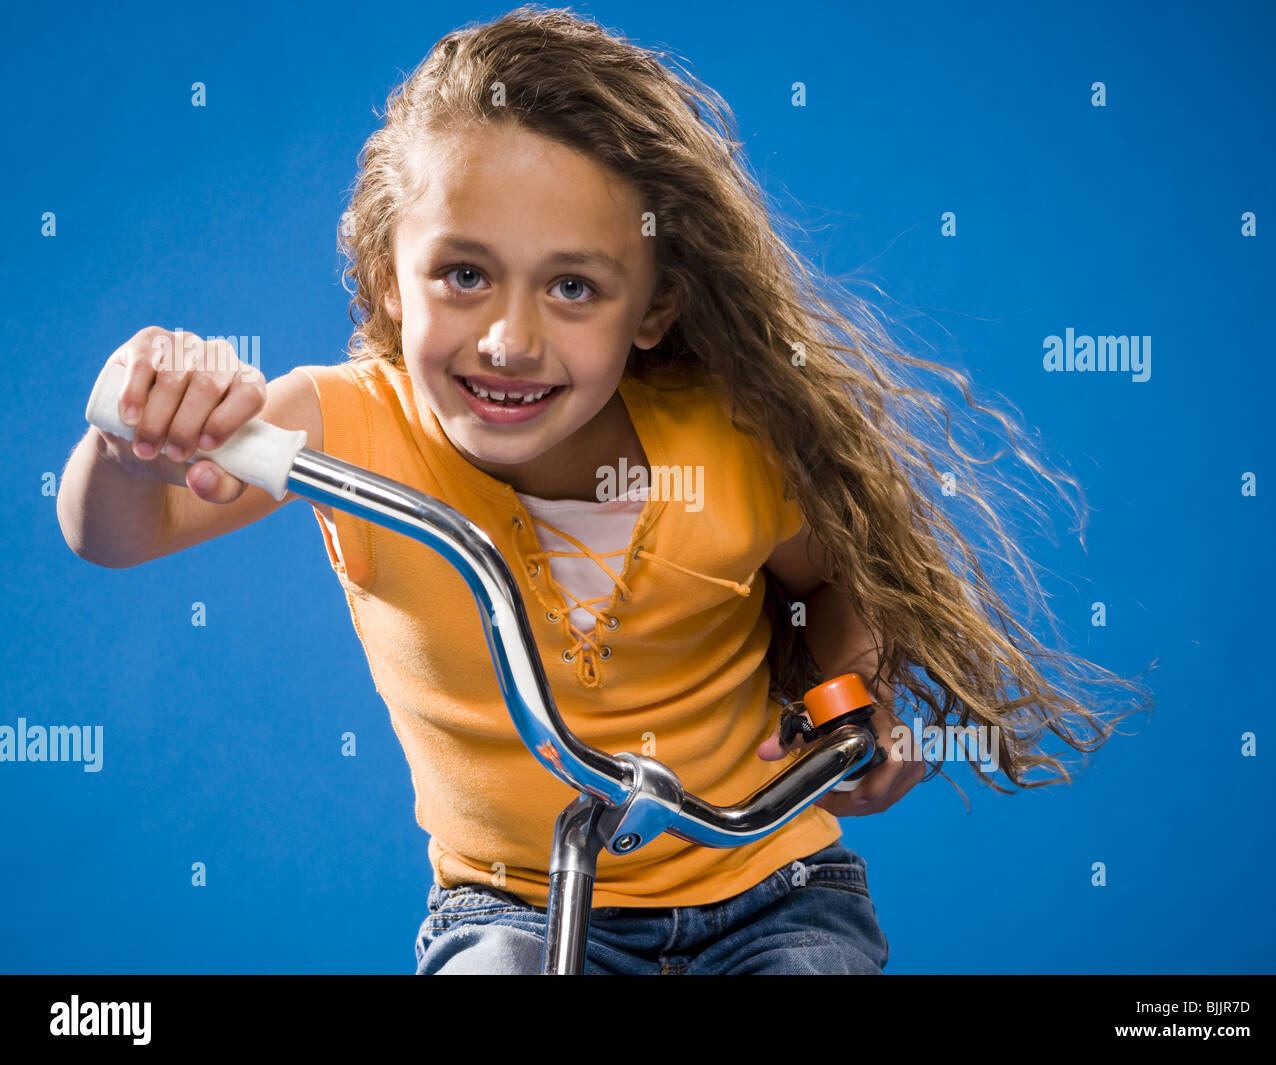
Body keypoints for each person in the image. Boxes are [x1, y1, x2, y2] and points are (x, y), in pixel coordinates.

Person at [57, 7, 1152, 975]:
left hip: (767, 889)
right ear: (393, 274)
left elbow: (827, 580)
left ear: (654, 309)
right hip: (511, 906)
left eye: (573, 286)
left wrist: (841, 704)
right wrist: (132, 428)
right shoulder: (342, 428)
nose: (508, 338)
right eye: (463, 273)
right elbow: (118, 532)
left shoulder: (731, 445)